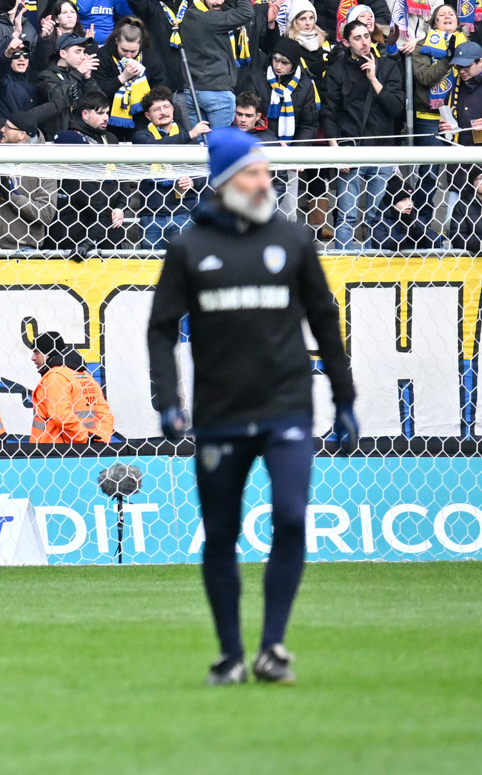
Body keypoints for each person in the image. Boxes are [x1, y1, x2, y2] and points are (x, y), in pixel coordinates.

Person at [148, 131, 357, 687]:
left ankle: (273, 647)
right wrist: (168, 401)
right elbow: (160, 329)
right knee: (220, 534)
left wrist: (345, 399)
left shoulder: (293, 239)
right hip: (219, 413)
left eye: (266, 172)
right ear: (224, 182)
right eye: (252, 173)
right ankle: (231, 654)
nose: (264, 182)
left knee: (290, 517)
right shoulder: (189, 247)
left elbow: (325, 321)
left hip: (286, 407)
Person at [26, 330, 116, 442]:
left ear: (48, 353)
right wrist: (99, 440)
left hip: (55, 451)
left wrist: (83, 438)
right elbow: (104, 413)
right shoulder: (86, 376)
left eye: (36, 352)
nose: (33, 358)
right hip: (86, 450)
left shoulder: (55, 377)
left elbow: (60, 414)